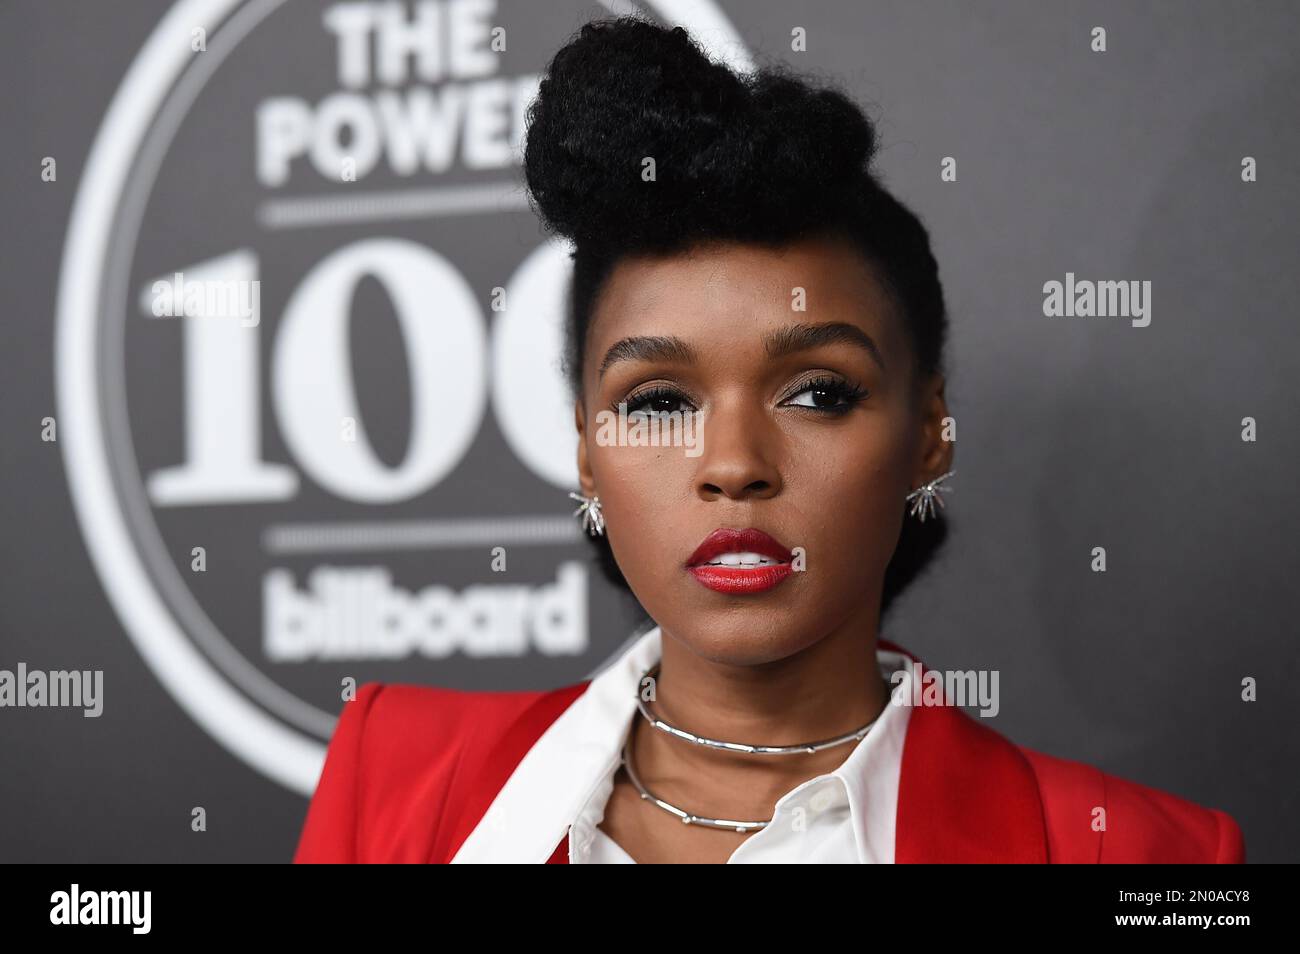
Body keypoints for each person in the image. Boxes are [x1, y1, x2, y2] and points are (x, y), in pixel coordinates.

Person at [293, 15, 1245, 864]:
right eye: (660, 401)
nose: (734, 465)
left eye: (819, 393)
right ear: (586, 451)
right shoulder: (394, 768)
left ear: (929, 434)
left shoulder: (1148, 857)